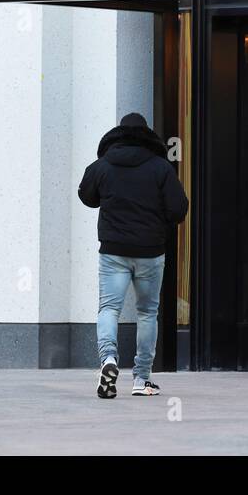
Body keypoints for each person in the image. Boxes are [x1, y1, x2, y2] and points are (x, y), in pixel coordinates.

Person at [78, 112, 188, 399]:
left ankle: (109, 360)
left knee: (109, 308)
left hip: (113, 250)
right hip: (150, 251)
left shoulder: (102, 166)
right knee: (147, 312)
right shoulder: (160, 168)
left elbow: (86, 196)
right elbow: (178, 209)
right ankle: (142, 379)